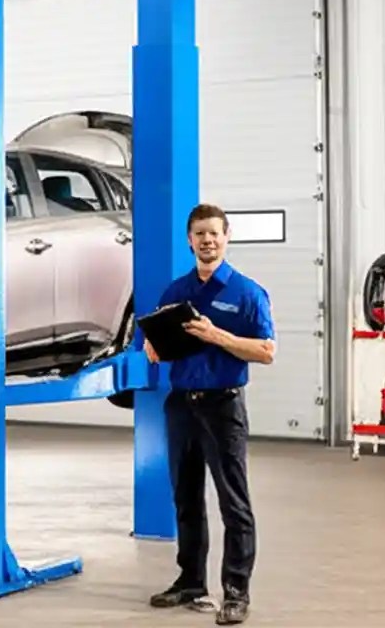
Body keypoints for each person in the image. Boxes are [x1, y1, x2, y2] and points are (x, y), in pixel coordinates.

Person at [141, 203, 276, 626]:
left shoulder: (248, 293)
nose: (207, 240)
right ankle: (190, 581)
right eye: (199, 234)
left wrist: (216, 335)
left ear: (227, 236)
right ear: (189, 239)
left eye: (214, 233)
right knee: (185, 498)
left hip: (223, 406)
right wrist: (154, 348)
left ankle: (236, 591)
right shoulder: (175, 293)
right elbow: (158, 348)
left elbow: (267, 352)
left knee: (233, 502)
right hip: (181, 404)